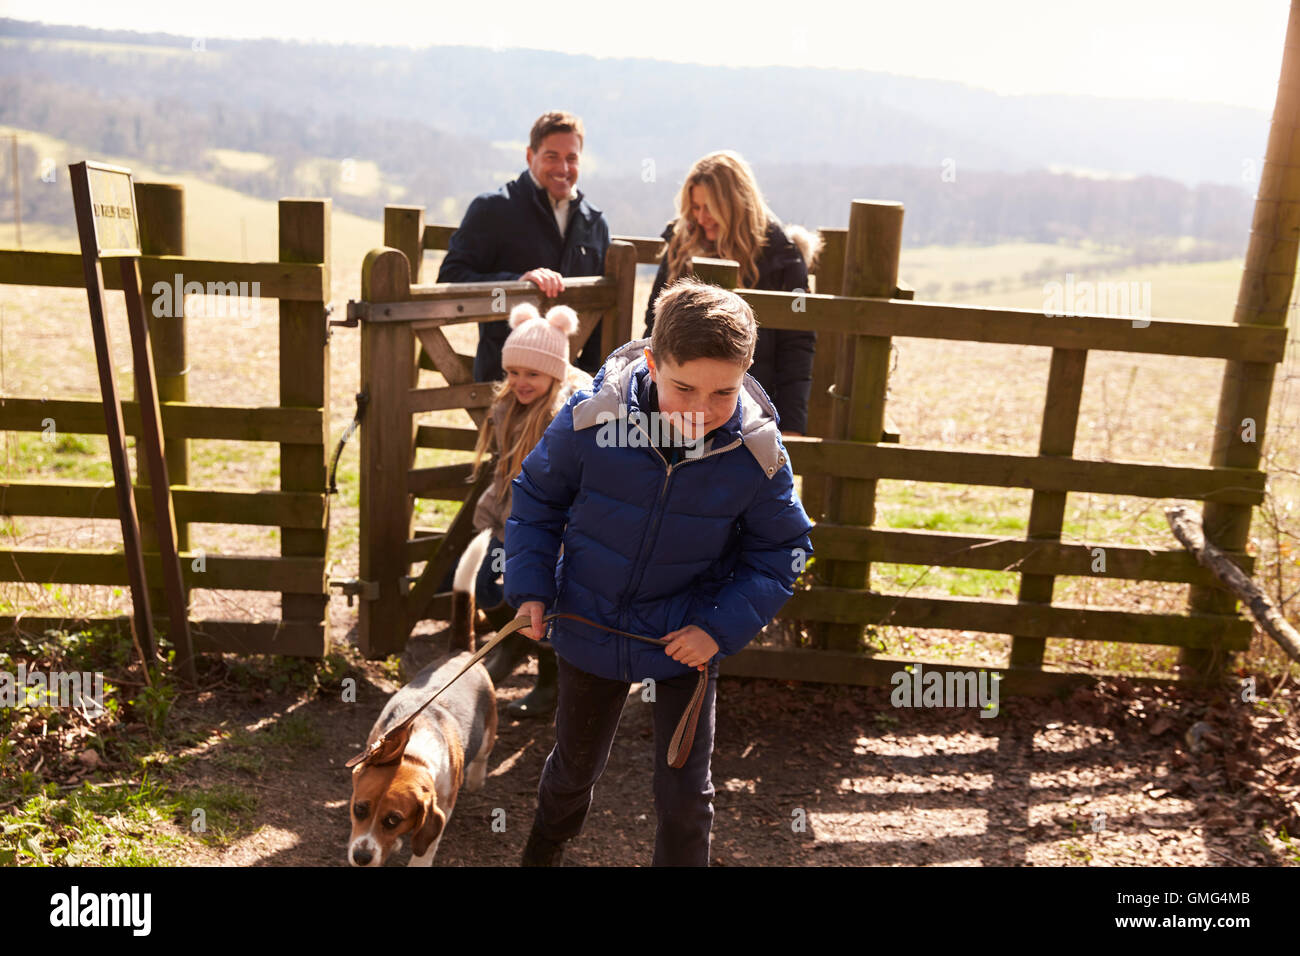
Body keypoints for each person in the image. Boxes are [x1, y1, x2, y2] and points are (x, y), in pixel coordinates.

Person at [504, 278, 814, 866]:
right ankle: (541, 855)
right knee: (572, 771)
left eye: (723, 392)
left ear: (745, 375)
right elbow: (537, 498)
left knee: (684, 796)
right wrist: (531, 590)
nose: (702, 409)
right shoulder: (592, 418)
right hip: (588, 624)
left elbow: (782, 552)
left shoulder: (757, 453)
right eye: (684, 387)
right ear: (651, 361)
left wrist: (717, 629)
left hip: (683, 643)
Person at [469, 302, 592, 719]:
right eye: (513, 373)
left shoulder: (564, 418)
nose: (520, 382)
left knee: (546, 604)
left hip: (550, 529)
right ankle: (512, 645)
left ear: (554, 373)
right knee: (487, 586)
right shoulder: (507, 407)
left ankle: (549, 684)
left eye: (532, 374)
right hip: (508, 518)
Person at [644, 150, 820, 436]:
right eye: (696, 207)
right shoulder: (680, 248)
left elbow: (797, 345)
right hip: (679, 407)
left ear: (736, 204)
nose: (702, 217)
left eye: (711, 207)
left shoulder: (783, 256)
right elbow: (654, 325)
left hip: (752, 410)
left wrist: (791, 423)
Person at [437, 110, 611, 382]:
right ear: (530, 156)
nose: (563, 169)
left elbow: (601, 312)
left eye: (571, 158)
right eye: (551, 156)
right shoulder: (492, 209)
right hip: (504, 379)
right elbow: (450, 280)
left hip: (570, 386)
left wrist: (594, 380)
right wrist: (517, 284)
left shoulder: (596, 223)